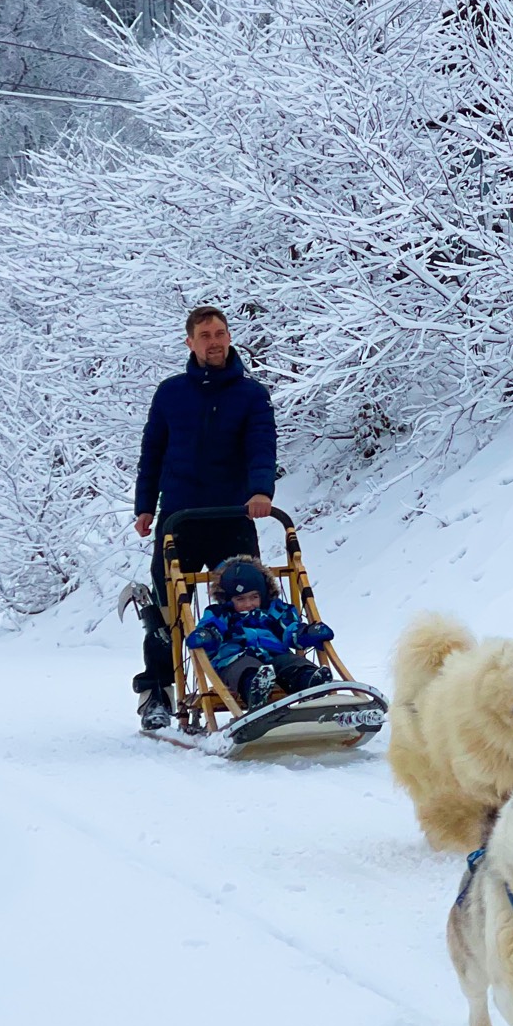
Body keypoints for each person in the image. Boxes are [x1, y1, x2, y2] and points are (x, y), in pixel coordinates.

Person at [132, 305, 278, 729]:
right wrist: (145, 505)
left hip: (233, 516)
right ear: (191, 342)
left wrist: (260, 491)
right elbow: (152, 453)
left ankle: (261, 680)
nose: (214, 342)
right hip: (180, 518)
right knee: (165, 611)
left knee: (250, 603)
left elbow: (261, 447)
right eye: (205, 335)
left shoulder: (251, 395)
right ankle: (156, 694)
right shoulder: (171, 393)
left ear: (229, 337)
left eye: (220, 333)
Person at [186, 557, 334, 709]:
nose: (248, 604)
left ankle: (310, 681)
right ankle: (255, 690)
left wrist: (306, 633)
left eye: (254, 597)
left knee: (291, 662)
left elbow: (290, 628)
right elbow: (213, 627)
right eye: (240, 599)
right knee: (246, 669)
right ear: (229, 600)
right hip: (234, 659)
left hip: (273, 655)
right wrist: (208, 636)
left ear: (262, 595)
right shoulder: (221, 614)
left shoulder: (274, 611)